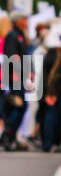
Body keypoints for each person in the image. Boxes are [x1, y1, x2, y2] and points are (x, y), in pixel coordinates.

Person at [1, 12, 31, 151]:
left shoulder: (20, 35)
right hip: (15, 77)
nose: (27, 21)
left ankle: (10, 136)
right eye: (24, 18)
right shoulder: (13, 35)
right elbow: (12, 56)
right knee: (18, 106)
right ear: (18, 20)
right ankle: (8, 134)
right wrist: (15, 74)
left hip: (20, 76)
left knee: (20, 106)